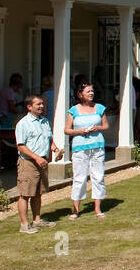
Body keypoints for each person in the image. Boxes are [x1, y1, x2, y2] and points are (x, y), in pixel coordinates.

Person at [14, 94, 58, 233]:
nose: (42, 106)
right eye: (38, 104)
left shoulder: (44, 121)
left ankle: (37, 220)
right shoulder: (23, 124)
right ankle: (24, 225)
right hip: (28, 163)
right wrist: (36, 157)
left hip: (42, 162)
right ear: (29, 107)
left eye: (42, 104)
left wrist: (54, 148)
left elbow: (49, 138)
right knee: (25, 194)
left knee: (38, 193)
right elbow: (21, 146)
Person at [66, 82, 109, 219]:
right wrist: (79, 131)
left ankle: (97, 208)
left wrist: (98, 128)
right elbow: (67, 129)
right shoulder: (74, 110)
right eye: (88, 91)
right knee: (79, 177)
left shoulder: (99, 108)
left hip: (97, 146)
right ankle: (76, 210)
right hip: (79, 148)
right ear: (80, 94)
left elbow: (106, 126)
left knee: (98, 176)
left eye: (92, 91)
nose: (91, 93)